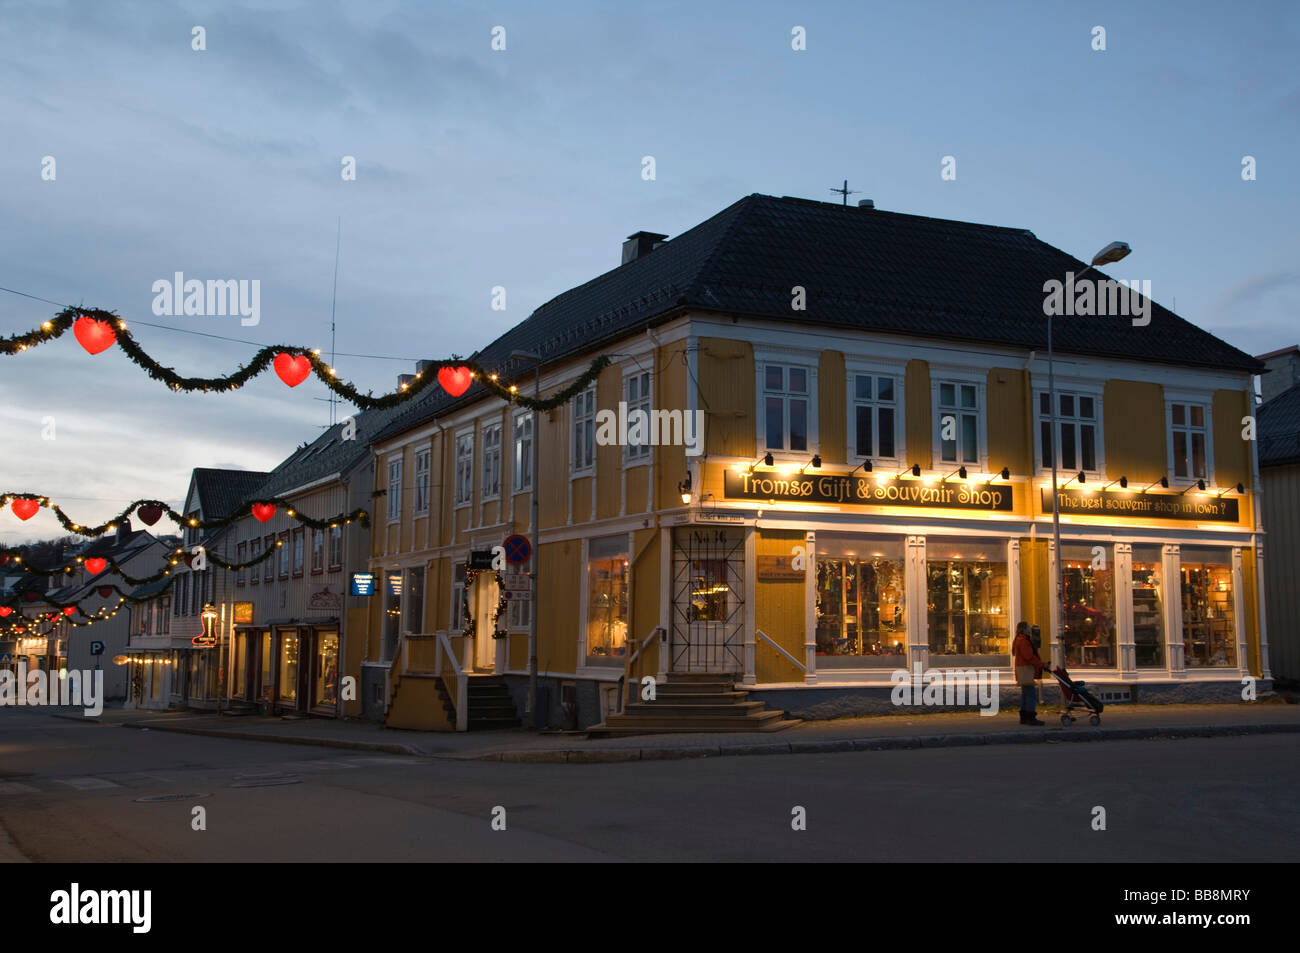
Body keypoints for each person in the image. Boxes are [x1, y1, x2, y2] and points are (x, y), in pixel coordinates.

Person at [1012, 621, 1046, 725]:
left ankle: (1024, 716)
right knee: (1030, 694)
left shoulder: (1019, 639)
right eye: (1028, 627)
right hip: (1026, 669)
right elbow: (1029, 657)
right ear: (1024, 629)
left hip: (1022, 669)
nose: (1030, 629)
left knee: (1025, 694)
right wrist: (1041, 664)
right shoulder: (1023, 641)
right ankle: (1031, 716)